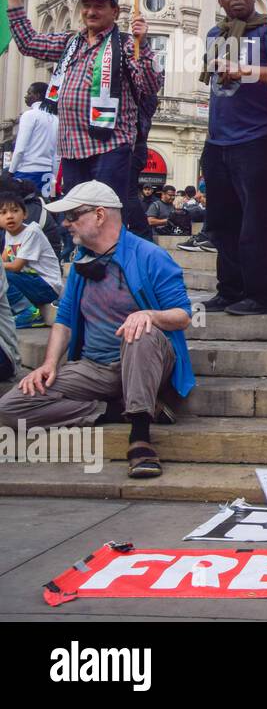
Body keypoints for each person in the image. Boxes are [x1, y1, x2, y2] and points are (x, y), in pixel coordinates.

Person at [0, 181, 194, 478]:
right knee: (10, 408)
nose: (65, 225)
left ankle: (140, 436)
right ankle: (111, 410)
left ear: (100, 215)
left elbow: (182, 315)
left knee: (139, 330)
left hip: (147, 361)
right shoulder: (81, 261)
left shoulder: (149, 255)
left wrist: (149, 315)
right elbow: (64, 319)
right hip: (95, 368)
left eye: (73, 216)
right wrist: (49, 364)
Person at [0, 0, 160, 239]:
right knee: (74, 216)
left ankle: (111, 270)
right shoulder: (69, 43)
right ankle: (83, 266)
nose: (91, 11)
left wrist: (142, 44)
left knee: (104, 214)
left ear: (114, 11)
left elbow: (151, 84)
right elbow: (29, 43)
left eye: (99, 6)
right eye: (86, 5)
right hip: (72, 148)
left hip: (110, 146)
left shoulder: (128, 44)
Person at [201, 0, 267, 315]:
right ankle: (229, 290)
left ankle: (260, 294)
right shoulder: (216, 32)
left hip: (257, 138)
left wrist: (246, 71)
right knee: (221, 222)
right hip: (217, 142)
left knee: (255, 224)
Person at [0, 189, 62, 328]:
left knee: (3, 275)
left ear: (25, 214)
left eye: (15, 211)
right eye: (3, 213)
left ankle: (28, 312)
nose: (9, 216)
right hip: (30, 284)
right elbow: (4, 259)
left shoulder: (31, 231)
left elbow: (16, 266)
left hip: (47, 287)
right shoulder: (9, 233)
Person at [10, 81, 57, 197]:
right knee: (43, 208)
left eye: (29, 93)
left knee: (23, 210)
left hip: (26, 172)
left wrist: (11, 171)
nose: (26, 96)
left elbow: (20, 149)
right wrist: (54, 176)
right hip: (47, 174)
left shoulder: (29, 115)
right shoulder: (56, 119)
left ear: (37, 96)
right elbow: (57, 154)